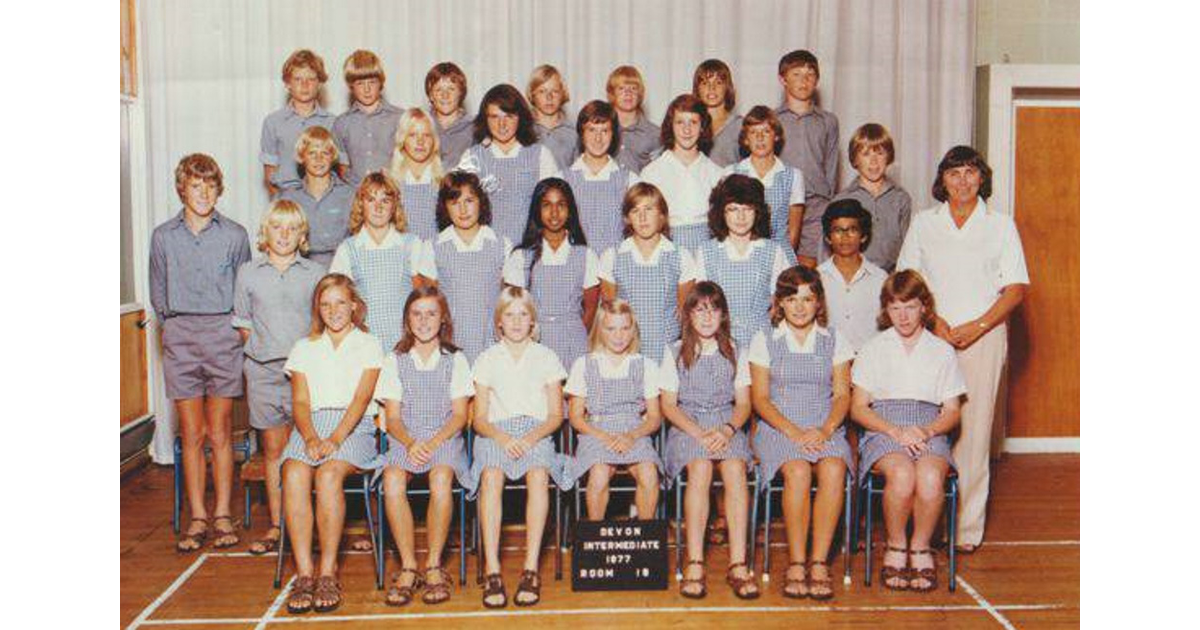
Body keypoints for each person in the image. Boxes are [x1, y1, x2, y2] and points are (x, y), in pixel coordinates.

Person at [896, 145, 1029, 554]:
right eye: (955, 173)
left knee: (972, 432)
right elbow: (908, 279)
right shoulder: (924, 223)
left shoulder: (1000, 225)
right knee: (928, 425)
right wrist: (935, 322)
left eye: (971, 172)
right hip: (931, 335)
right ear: (943, 180)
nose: (963, 181)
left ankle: (965, 530)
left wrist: (978, 326)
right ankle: (926, 524)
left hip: (983, 338)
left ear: (982, 178)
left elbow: (1016, 289)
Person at [150, 153, 252, 553]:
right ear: (182, 189)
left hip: (222, 334)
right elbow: (158, 291)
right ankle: (197, 516)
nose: (203, 192)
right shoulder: (163, 236)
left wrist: (231, 330)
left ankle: (223, 513)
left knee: (220, 431)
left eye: (210, 185)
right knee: (191, 433)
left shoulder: (235, 235)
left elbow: (243, 292)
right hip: (180, 334)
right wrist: (174, 327)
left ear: (219, 189)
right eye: (195, 185)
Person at [850, 269, 966, 592]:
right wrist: (896, 431)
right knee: (902, 475)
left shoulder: (941, 350)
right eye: (895, 307)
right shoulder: (873, 348)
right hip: (884, 427)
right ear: (885, 310)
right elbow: (858, 408)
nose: (903, 316)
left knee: (929, 477)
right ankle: (896, 545)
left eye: (910, 306)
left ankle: (920, 546)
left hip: (928, 426)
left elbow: (953, 410)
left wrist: (926, 431)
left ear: (924, 308)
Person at [279, 273, 384, 614]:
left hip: (353, 427)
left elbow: (361, 398)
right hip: (311, 426)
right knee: (294, 472)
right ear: (317, 309)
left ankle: (328, 571)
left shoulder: (369, 344)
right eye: (325, 305)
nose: (334, 310)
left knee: (327, 475)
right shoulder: (304, 348)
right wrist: (310, 437)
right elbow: (300, 403)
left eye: (341, 302)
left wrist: (336, 439)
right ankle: (304, 572)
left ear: (354, 305)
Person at [749, 266, 853, 600]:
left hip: (824, 425)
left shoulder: (835, 339)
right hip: (778, 427)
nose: (799, 306)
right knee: (796, 471)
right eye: (791, 299)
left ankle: (819, 561)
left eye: (807, 299)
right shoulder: (764, 338)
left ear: (819, 303)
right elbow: (760, 399)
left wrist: (825, 429)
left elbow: (841, 395)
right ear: (779, 303)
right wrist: (794, 432)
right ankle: (796, 561)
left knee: (834, 468)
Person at [233, 200, 324, 556]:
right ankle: (277, 525)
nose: (284, 235)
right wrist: (261, 352)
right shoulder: (248, 273)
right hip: (263, 372)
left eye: (292, 228)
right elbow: (243, 325)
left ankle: (308, 523)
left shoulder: (315, 273)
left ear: (302, 235)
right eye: (277, 227)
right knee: (273, 450)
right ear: (265, 233)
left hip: (304, 375)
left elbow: (321, 326)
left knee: (305, 450)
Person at [470, 288, 571, 608]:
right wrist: (503, 439)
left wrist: (529, 438)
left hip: (536, 432)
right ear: (498, 322)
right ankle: (493, 570)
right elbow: (479, 419)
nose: (516, 321)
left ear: (533, 321)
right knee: (491, 477)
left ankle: (530, 569)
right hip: (496, 433)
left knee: (539, 475)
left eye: (523, 315)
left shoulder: (547, 357)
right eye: (509, 315)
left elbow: (556, 415)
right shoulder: (487, 358)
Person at [375, 287, 474, 606]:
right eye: (417, 313)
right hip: (407, 437)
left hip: (443, 439)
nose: (424, 320)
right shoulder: (395, 359)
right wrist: (410, 442)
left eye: (431, 313)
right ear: (407, 319)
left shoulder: (455, 359)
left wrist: (431, 443)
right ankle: (408, 566)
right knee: (391, 479)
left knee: (441, 478)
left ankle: (433, 565)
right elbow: (392, 418)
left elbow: (460, 416)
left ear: (442, 318)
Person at [660, 282, 758, 600]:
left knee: (734, 470)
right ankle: (695, 561)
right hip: (688, 426)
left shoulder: (736, 350)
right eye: (699, 309)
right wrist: (699, 433)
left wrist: (728, 430)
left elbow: (744, 403)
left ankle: (738, 563)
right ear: (688, 315)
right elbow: (669, 406)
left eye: (713, 309)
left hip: (726, 423)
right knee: (700, 467)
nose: (706, 317)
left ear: (723, 315)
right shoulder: (673, 351)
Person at [563, 298, 663, 521]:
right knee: (599, 474)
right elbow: (576, 417)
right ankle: (597, 538)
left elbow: (654, 417)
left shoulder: (645, 365)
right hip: (596, 430)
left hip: (634, 429)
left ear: (633, 330)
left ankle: (644, 539)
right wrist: (604, 437)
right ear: (600, 329)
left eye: (625, 328)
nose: (619, 336)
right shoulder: (584, 364)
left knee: (649, 474)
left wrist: (631, 436)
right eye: (611, 328)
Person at [503, 178, 601, 376]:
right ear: (537, 210)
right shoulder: (521, 257)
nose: (554, 213)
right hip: (534, 342)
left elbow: (591, 308)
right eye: (547, 205)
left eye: (561, 205)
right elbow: (513, 308)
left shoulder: (585, 255)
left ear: (570, 209)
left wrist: (574, 334)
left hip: (573, 341)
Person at [329, 172, 431, 354]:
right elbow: (338, 301)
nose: (378, 207)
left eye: (385, 201)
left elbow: (421, 299)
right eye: (371, 200)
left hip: (404, 342)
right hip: (363, 343)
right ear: (361, 204)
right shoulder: (348, 249)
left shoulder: (411, 244)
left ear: (394, 206)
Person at [597, 183, 697, 364]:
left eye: (649, 209)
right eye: (635, 211)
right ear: (627, 218)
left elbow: (682, 314)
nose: (643, 217)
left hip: (668, 352)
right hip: (627, 351)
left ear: (662, 215)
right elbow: (611, 312)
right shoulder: (612, 256)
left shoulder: (680, 256)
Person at [693, 174, 790, 350]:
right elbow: (703, 305)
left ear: (758, 212)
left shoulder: (773, 250)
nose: (741, 216)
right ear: (721, 213)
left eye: (747, 209)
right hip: (720, 342)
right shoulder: (706, 251)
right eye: (733, 209)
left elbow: (783, 301)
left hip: (763, 341)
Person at [427, 171, 513, 362]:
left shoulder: (501, 244)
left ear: (481, 202)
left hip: (491, 341)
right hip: (450, 342)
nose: (463, 210)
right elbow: (430, 302)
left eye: (469, 201)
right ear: (445, 208)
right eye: (455, 203)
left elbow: (508, 299)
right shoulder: (434, 246)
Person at [456, 84, 559, 244]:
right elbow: (459, 209)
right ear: (485, 119)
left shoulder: (540, 155)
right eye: (494, 117)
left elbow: (553, 208)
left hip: (529, 248)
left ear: (520, 118)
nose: (502, 125)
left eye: (509, 117)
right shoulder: (472, 157)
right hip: (485, 249)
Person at [775, 50, 840, 267]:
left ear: (817, 80)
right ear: (782, 79)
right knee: (780, 263)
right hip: (781, 202)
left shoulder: (828, 121)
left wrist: (827, 200)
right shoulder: (772, 120)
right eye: (796, 74)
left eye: (810, 74)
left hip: (816, 203)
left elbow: (830, 165)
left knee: (810, 267)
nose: (804, 80)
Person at [639, 94, 725, 253]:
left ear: (702, 127)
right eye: (680, 122)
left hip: (706, 250)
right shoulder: (652, 173)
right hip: (665, 248)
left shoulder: (716, 173)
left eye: (693, 122)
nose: (687, 129)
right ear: (670, 126)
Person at [726, 106, 805, 264]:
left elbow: (793, 232)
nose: (760, 138)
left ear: (776, 136)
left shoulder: (793, 176)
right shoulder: (731, 173)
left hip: (780, 255)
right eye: (754, 133)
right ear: (746, 139)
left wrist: (778, 259)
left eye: (766, 131)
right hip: (742, 254)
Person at [561, 100, 639, 255]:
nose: (598, 138)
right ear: (581, 134)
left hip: (615, 268)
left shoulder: (630, 180)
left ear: (613, 135)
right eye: (591, 130)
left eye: (604, 131)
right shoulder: (562, 180)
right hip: (577, 267)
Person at [830, 123, 912, 271]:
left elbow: (908, 249)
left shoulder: (901, 199)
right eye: (866, 154)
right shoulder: (841, 200)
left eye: (880, 153)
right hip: (852, 277)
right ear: (855, 159)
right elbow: (828, 252)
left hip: (890, 280)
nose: (874, 161)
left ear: (889, 157)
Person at [260, 50, 337, 196]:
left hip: (322, 197)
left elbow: (340, 172)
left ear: (320, 83)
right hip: (287, 198)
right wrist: (280, 203)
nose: (305, 85)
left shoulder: (333, 123)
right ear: (288, 84)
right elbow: (269, 175)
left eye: (311, 79)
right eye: (297, 79)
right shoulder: (273, 122)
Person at [278, 126, 354, 268]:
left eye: (325, 153)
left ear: (333, 157)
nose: (318, 159)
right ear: (302, 157)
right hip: (301, 268)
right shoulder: (289, 198)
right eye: (312, 153)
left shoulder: (349, 194)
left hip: (342, 267)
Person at [817, 199, 887, 352]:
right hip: (829, 364)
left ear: (863, 236)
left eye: (852, 230)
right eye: (837, 230)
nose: (845, 236)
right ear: (828, 237)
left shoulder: (880, 279)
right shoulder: (816, 278)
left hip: (870, 364)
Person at [333, 50, 402, 186]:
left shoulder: (400, 118)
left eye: (372, 82)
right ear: (351, 86)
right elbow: (342, 166)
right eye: (360, 83)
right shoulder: (341, 123)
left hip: (391, 194)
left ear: (381, 83)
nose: (367, 89)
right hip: (355, 195)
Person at [388, 108, 445, 242]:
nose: (420, 141)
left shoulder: (444, 182)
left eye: (426, 135)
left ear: (434, 141)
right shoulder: (391, 183)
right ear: (402, 139)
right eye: (413, 135)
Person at [606, 65, 660, 173]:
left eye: (633, 88)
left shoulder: (655, 134)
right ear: (612, 94)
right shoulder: (600, 130)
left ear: (640, 94)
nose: (628, 93)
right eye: (621, 88)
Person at [692, 59, 743, 167]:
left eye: (718, 82)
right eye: (705, 83)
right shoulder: (689, 124)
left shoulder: (741, 126)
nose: (712, 88)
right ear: (697, 89)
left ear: (727, 87)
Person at [425, 62, 474, 168]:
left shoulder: (475, 127)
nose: (445, 95)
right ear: (430, 95)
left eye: (451, 89)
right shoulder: (422, 125)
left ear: (461, 92)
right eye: (438, 90)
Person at [528, 64, 577, 170]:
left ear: (563, 94)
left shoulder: (574, 131)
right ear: (532, 95)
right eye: (542, 91)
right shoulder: (523, 129)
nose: (549, 97)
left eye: (555, 91)